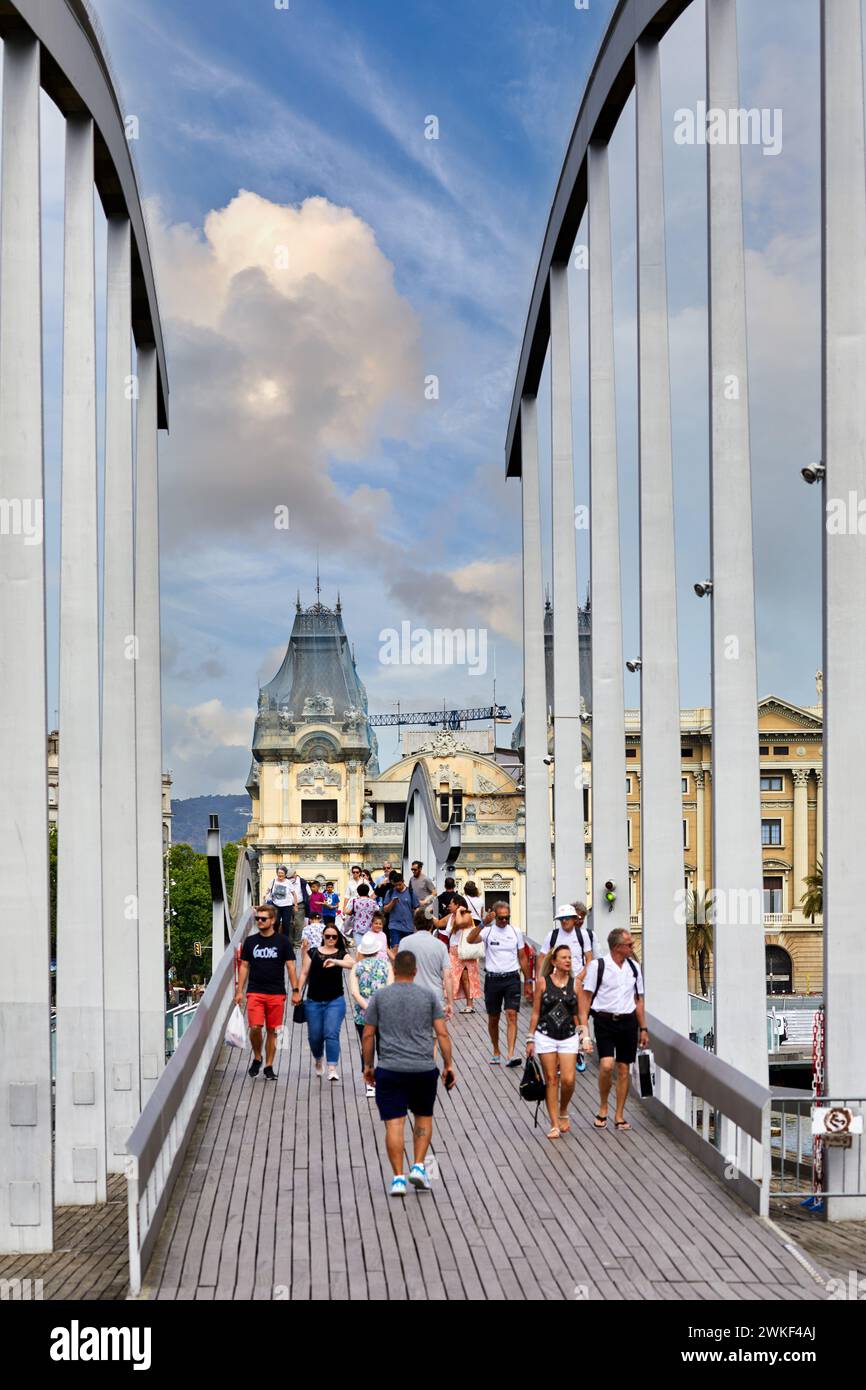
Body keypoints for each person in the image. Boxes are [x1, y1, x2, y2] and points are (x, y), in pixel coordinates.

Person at [362, 950, 456, 1197]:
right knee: (423, 1118)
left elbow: (368, 1034)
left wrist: (368, 1065)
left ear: (394, 970)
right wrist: (448, 1065)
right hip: (423, 1069)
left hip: (390, 1069)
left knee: (395, 1124)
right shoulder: (428, 996)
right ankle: (418, 1166)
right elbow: (443, 1034)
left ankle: (398, 1179)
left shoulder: (380, 997)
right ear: (415, 971)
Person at [578, 927, 648, 1132]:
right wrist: (584, 1033)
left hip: (628, 1022)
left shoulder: (634, 967)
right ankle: (603, 1106)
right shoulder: (598, 967)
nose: (632, 947)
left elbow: (639, 1000)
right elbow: (585, 998)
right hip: (604, 1020)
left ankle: (619, 1114)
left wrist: (643, 1028)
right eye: (629, 944)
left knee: (624, 1068)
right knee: (607, 1065)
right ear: (617, 947)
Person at [235, 904, 299, 1080]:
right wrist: (239, 990)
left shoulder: (283, 942)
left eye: (263, 919)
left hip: (276, 992)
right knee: (255, 1027)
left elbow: (291, 966)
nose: (260, 921)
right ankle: (257, 1056)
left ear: (272, 920)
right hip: (255, 991)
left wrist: (295, 990)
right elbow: (244, 966)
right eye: (258, 918)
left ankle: (269, 1065)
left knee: (272, 1030)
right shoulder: (250, 942)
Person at [526, 944, 583, 1140]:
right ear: (554, 962)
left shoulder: (575, 984)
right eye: (564, 957)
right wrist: (530, 1038)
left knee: (568, 1080)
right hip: (545, 1034)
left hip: (568, 1035)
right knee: (551, 1079)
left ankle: (563, 1110)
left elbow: (580, 1014)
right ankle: (554, 1124)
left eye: (570, 957)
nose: (568, 960)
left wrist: (585, 1037)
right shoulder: (543, 982)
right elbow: (535, 1012)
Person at [465, 900, 531, 1067]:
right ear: (494, 917)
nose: (503, 921)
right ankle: (496, 1050)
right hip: (493, 978)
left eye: (506, 918)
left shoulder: (515, 932)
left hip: (512, 978)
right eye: (500, 918)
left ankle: (510, 1054)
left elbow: (522, 956)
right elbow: (469, 939)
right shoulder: (488, 931)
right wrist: (482, 924)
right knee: (493, 1018)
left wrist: (529, 980)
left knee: (512, 1014)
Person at [297, 922, 355, 1081]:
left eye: (334, 937)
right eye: (327, 936)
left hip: (335, 1001)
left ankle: (332, 1067)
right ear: (322, 936)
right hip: (313, 1001)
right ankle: (318, 1059)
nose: (330, 939)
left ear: (338, 938)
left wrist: (336, 962)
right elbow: (303, 973)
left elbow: (353, 964)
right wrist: (297, 991)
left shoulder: (341, 953)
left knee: (331, 1033)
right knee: (314, 1036)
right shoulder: (313, 952)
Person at [349, 932, 394, 1095]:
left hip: (363, 1014)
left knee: (366, 1047)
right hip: (383, 1012)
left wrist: (367, 1007)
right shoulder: (386, 965)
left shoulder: (356, 967)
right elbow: (389, 989)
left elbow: (354, 992)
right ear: (376, 950)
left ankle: (369, 1083)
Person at [401, 907, 454, 1019]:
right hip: (435, 997)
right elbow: (448, 976)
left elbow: (399, 972)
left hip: (411, 997)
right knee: (434, 1035)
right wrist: (450, 1003)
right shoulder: (440, 946)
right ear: (431, 925)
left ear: (415, 924)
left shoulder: (405, 942)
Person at [440, 894, 481, 1014]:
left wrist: (458, 912)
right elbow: (439, 924)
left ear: (458, 905)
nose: (449, 905)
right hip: (453, 951)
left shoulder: (466, 916)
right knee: (451, 977)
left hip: (464, 951)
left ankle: (470, 1004)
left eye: (451, 904)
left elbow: (460, 923)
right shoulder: (451, 916)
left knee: (466, 978)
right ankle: (449, 1004)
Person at [539, 903, 594, 978]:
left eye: (567, 918)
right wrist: (540, 978)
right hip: (556, 982)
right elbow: (542, 958)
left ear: (574, 919)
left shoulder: (583, 934)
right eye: (561, 919)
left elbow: (589, 959)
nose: (564, 921)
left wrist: (580, 978)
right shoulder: (552, 935)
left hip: (578, 981)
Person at [382, 873, 416, 950]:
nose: (398, 887)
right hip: (394, 926)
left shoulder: (411, 892)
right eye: (395, 885)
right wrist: (392, 903)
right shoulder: (390, 892)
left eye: (399, 884)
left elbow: (416, 908)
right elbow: (385, 910)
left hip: (408, 927)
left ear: (403, 881)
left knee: (407, 950)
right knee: (395, 948)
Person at [284, 867, 311, 948]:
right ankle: (290, 942)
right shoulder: (285, 882)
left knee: (298, 924)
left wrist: (304, 902)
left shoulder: (302, 882)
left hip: (300, 905)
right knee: (289, 924)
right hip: (287, 905)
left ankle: (297, 943)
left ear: (295, 874)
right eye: (288, 878)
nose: (289, 879)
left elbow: (309, 894)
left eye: (291, 877)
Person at [266, 865, 294, 937]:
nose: (280, 874)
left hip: (287, 906)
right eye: (279, 872)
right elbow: (268, 891)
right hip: (276, 905)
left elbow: (294, 894)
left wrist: (296, 905)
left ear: (285, 874)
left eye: (282, 873)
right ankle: (274, 938)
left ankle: (285, 941)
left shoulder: (288, 882)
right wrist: (265, 897)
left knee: (286, 924)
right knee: (276, 922)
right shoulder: (273, 881)